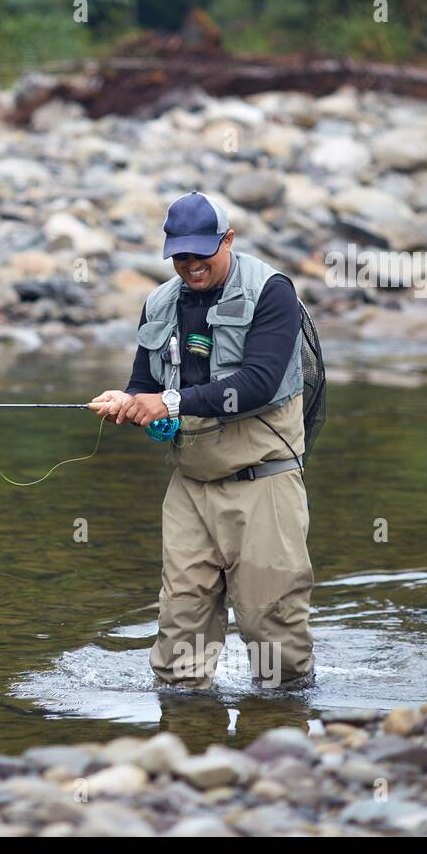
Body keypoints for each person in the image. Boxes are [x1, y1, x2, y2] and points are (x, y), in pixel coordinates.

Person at [89, 191, 315, 691]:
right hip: (190, 484)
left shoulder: (272, 292)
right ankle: (185, 745)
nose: (190, 266)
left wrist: (167, 404)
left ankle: (285, 748)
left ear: (228, 240)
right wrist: (126, 402)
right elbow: (142, 382)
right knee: (179, 638)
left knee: (273, 636)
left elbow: (258, 382)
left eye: (201, 253)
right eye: (180, 255)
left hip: (263, 481)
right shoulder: (159, 302)